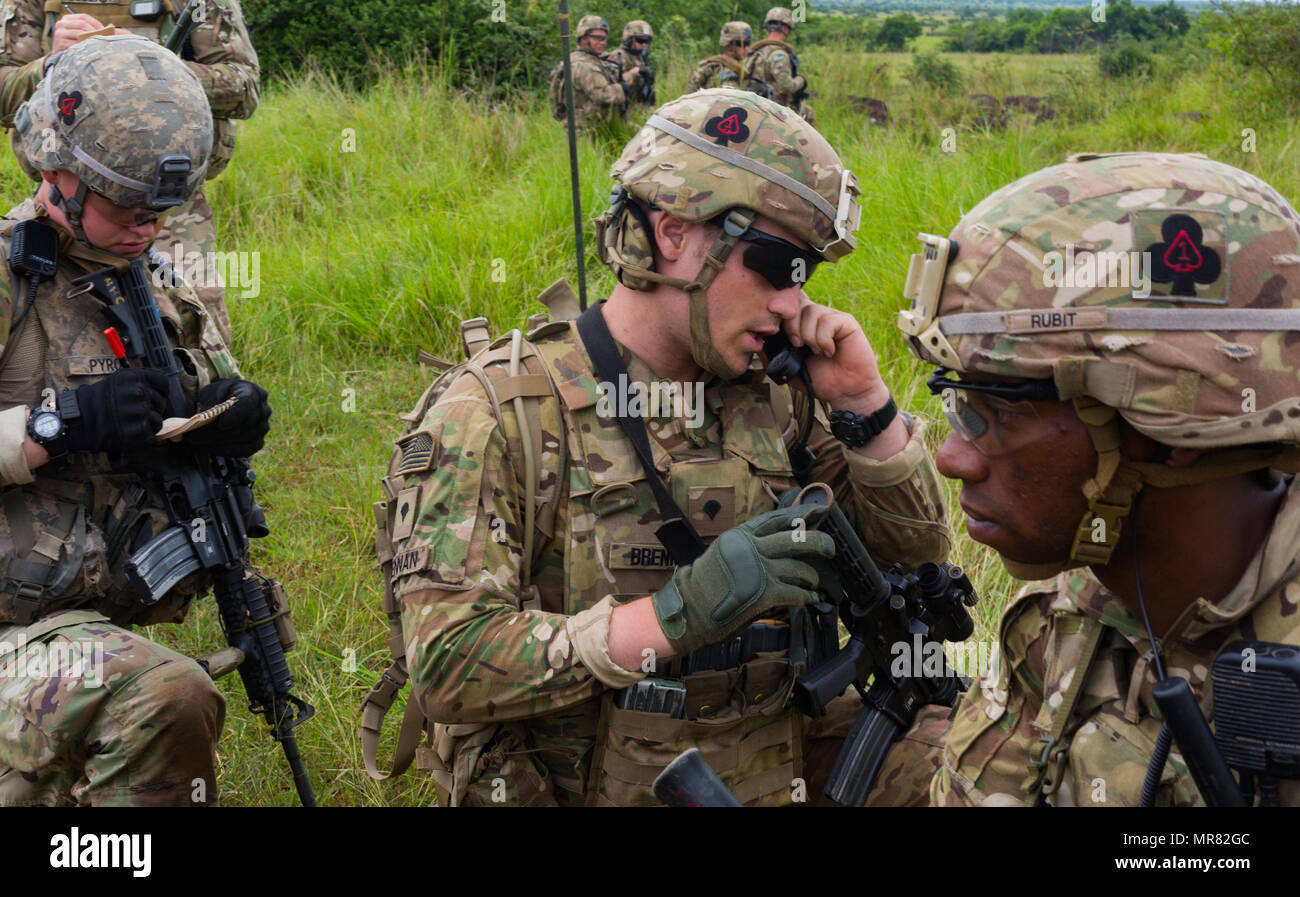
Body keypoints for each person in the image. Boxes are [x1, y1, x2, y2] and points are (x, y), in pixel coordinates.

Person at [369, 88, 952, 807]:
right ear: (674, 234)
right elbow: (448, 664)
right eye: (774, 267)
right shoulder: (499, 412)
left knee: (972, 770)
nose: (794, 305)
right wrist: (676, 616)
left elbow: (921, 571)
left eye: (808, 278)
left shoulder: (778, 396)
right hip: (586, 781)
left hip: (779, 757)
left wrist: (867, 409)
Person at [867, 151, 1300, 807]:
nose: (954, 457)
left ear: (1165, 424)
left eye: (998, 410)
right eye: (959, 407)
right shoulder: (1064, 615)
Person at [0, 32, 271, 806]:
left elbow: (188, 409)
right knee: (167, 696)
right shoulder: (8, 278)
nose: (148, 226)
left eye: (165, 207)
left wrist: (218, 412)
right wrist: (56, 427)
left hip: (77, 619)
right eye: (127, 204)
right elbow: (64, 429)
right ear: (58, 172)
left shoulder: (152, 285)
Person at [0, 0, 261, 346]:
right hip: (71, 195)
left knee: (194, 326)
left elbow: (245, 89)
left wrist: (146, 64)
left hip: (170, 202)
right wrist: (52, 65)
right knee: (48, 319)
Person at [549, 14, 634, 133]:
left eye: (604, 38)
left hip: (601, 126)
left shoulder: (592, 59)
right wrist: (624, 84)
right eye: (597, 38)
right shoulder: (583, 65)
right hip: (586, 132)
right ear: (583, 38)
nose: (602, 42)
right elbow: (604, 94)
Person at [744, 7, 812, 123]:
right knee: (809, 113)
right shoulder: (779, 54)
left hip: (753, 106)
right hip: (774, 110)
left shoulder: (755, 51)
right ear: (785, 28)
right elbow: (787, 86)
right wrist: (801, 80)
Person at [688, 21, 751, 92]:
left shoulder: (741, 67)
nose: (747, 48)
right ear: (729, 45)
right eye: (743, 44)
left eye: (748, 43)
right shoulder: (720, 69)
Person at [606, 19, 654, 110]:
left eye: (647, 42)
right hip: (624, 108)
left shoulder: (641, 57)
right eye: (640, 40)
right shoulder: (618, 56)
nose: (644, 45)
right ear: (629, 39)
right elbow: (612, 86)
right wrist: (633, 74)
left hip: (640, 105)